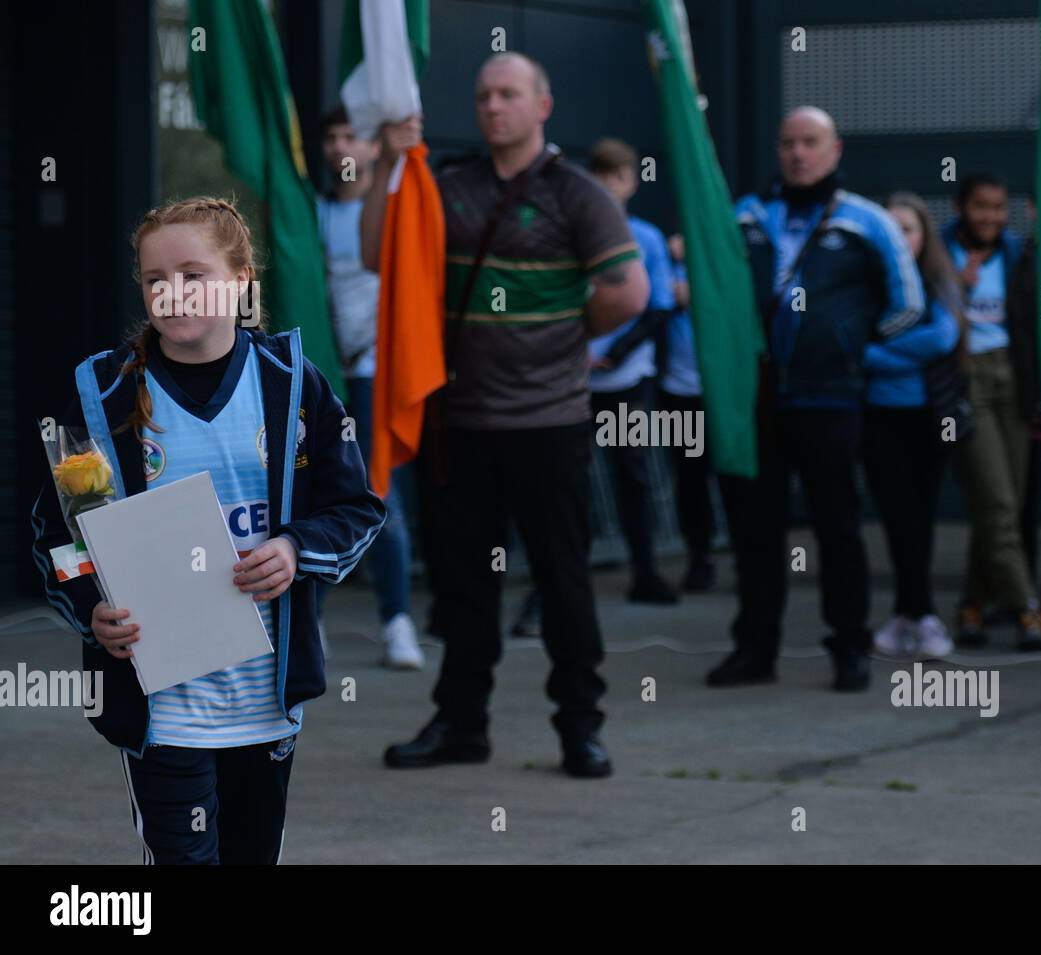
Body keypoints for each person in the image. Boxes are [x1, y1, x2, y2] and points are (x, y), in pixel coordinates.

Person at [30, 196, 385, 863]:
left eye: (194, 274)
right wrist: (92, 610)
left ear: (243, 280)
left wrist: (294, 548)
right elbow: (61, 540)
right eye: (155, 279)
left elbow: (357, 508)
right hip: (163, 708)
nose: (172, 292)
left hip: (264, 702)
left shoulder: (292, 387)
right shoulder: (101, 397)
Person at [366, 53, 649, 776]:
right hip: (457, 423)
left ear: (541, 106)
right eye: (484, 94)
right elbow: (377, 253)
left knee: (563, 581)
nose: (494, 107)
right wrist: (383, 170)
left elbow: (628, 290)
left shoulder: (579, 192)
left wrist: (562, 336)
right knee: (463, 587)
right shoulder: (443, 181)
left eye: (509, 94)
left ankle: (581, 727)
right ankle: (462, 724)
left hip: (548, 424)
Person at [710, 106, 924, 691]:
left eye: (810, 142)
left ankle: (849, 649)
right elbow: (718, 290)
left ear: (835, 150)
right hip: (757, 402)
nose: (798, 153)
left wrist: (850, 347)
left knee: (837, 529)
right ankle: (754, 650)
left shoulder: (868, 220)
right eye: (788, 143)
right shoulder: (747, 216)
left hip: (830, 401)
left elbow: (909, 302)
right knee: (756, 532)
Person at [315, 104, 423, 670]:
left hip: (379, 375)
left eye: (349, 135)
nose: (339, 147)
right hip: (324, 376)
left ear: (374, 146)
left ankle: (397, 623)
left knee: (382, 498)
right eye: (330, 137)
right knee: (316, 497)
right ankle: (311, 621)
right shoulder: (311, 213)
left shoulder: (396, 211)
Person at [944, 172, 1041, 651]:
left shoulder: (1018, 254)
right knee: (999, 502)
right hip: (968, 382)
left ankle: (971, 605)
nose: (990, 217)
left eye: (998, 208)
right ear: (960, 207)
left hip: (1014, 381)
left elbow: (1036, 325)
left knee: (1002, 507)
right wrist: (956, 290)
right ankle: (1028, 606)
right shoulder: (939, 252)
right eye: (981, 207)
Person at [864, 192, 966, 659]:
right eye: (890, 228)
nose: (900, 237)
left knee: (918, 519)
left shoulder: (937, 278)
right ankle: (911, 613)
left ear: (924, 234)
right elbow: (849, 336)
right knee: (895, 518)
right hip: (878, 416)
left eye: (907, 228)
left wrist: (876, 354)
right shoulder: (866, 281)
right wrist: (893, 349)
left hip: (929, 416)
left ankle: (919, 614)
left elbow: (941, 337)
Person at [585, 137, 679, 604]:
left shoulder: (647, 238)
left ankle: (646, 571)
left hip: (626, 380)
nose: (608, 185)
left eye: (617, 176)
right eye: (599, 175)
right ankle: (561, 580)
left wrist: (615, 354)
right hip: (574, 380)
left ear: (632, 182)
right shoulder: (571, 233)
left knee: (633, 475)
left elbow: (657, 307)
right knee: (570, 482)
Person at [659, 232, 718, 592]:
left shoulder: (726, 259)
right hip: (680, 392)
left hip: (725, 394)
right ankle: (700, 557)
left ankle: (749, 561)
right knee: (690, 478)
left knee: (735, 479)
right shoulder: (664, 256)